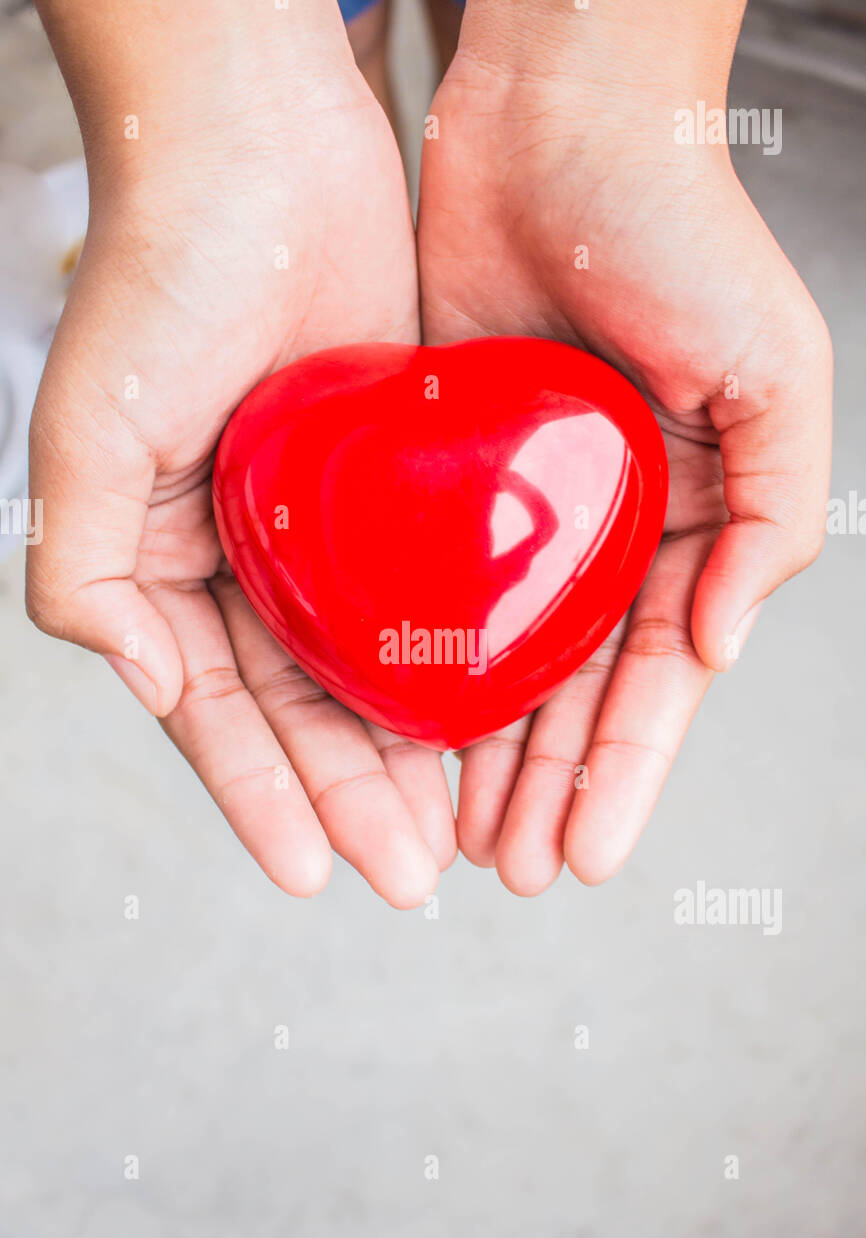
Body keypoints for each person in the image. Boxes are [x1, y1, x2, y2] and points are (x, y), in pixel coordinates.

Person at [27, 0, 832, 907]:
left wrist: (605, 101)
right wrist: (219, 128)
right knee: (336, 39)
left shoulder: (593, 433)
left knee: (484, 43)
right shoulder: (289, 433)